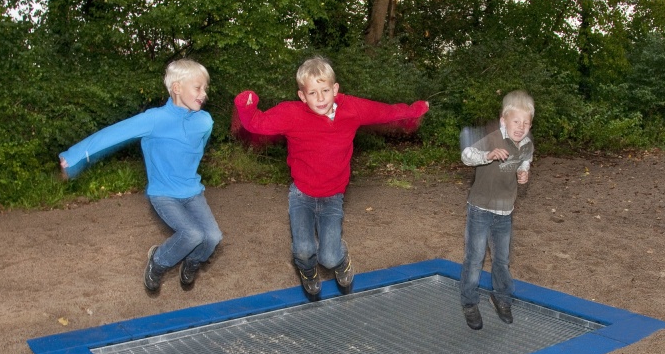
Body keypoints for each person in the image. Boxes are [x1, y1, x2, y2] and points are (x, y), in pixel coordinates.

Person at [232, 56, 429, 301]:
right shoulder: (291, 114)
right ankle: (307, 271)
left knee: (329, 257)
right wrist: (247, 107)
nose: (321, 98)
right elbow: (257, 124)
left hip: (333, 197)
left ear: (335, 89)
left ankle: (341, 259)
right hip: (301, 194)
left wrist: (413, 111)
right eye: (313, 93)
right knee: (303, 252)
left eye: (325, 90)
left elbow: (384, 112)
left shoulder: (352, 109)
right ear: (302, 96)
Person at [59, 59, 222, 294]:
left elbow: (197, 148)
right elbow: (114, 133)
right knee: (192, 234)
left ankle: (192, 262)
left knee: (213, 237)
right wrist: (74, 156)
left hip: (192, 191)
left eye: (205, 88)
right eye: (198, 88)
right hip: (164, 193)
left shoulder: (204, 121)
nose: (203, 94)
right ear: (177, 88)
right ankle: (158, 261)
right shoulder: (154, 120)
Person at [459, 90, 535, 330]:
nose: (520, 127)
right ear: (504, 120)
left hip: (505, 212)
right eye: (516, 121)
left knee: (502, 260)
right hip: (480, 209)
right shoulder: (492, 139)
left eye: (525, 123)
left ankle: (501, 298)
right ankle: (469, 303)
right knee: (475, 259)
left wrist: (524, 172)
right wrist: (488, 155)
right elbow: (466, 155)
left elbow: (526, 160)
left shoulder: (526, 144)